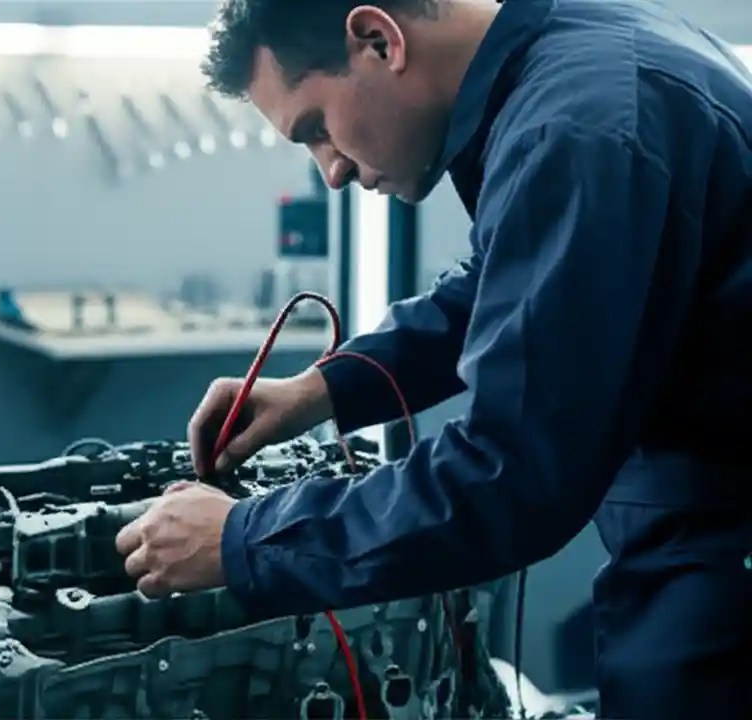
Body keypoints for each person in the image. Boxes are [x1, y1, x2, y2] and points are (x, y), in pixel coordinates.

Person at [113, 0, 752, 717]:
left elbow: (510, 476)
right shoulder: (578, 55)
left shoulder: (578, 127)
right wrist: (322, 391)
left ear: (377, 40)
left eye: (316, 128)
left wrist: (244, 540)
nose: (329, 172)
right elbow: (513, 281)